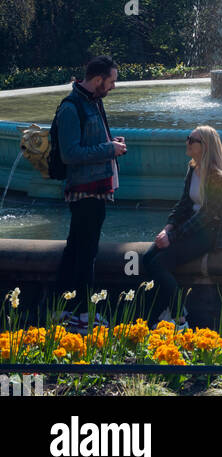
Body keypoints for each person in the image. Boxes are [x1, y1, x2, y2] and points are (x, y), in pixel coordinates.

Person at [53, 56, 126, 329]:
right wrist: (109, 150)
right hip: (85, 192)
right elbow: (70, 154)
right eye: (111, 81)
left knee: (76, 250)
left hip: (95, 189)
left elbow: (88, 142)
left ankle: (61, 309)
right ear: (98, 80)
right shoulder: (72, 107)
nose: (113, 86)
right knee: (86, 253)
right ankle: (84, 315)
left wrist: (111, 142)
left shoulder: (92, 102)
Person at [142, 126, 222, 327]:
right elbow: (184, 205)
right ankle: (162, 313)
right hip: (191, 227)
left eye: (192, 140)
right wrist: (167, 228)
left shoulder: (219, 178)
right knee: (148, 258)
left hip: (210, 232)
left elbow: (206, 216)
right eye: (188, 138)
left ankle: (180, 318)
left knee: (160, 263)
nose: (187, 142)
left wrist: (173, 237)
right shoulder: (193, 168)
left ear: (205, 146)